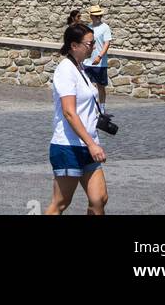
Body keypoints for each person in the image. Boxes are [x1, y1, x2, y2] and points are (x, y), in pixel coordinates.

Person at [44, 21, 108, 216]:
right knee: (61, 203)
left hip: (87, 144)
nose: (94, 47)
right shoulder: (66, 70)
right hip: (68, 146)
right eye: (89, 44)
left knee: (99, 199)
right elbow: (69, 112)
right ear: (74, 45)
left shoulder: (80, 68)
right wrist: (91, 144)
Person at [83, 3, 113, 107]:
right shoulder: (88, 28)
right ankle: (91, 107)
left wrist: (99, 57)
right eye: (96, 16)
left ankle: (102, 108)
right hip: (87, 61)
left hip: (100, 62)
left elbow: (107, 43)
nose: (98, 17)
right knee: (87, 86)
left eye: (100, 15)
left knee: (100, 86)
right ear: (91, 16)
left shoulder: (105, 27)